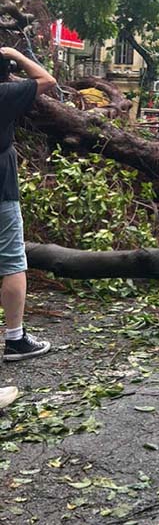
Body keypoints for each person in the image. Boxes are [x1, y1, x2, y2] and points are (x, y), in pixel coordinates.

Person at [0, 46, 57, 359]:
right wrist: (20, 56)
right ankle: (15, 338)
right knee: (12, 260)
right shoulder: (6, 94)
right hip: (1, 187)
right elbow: (46, 79)